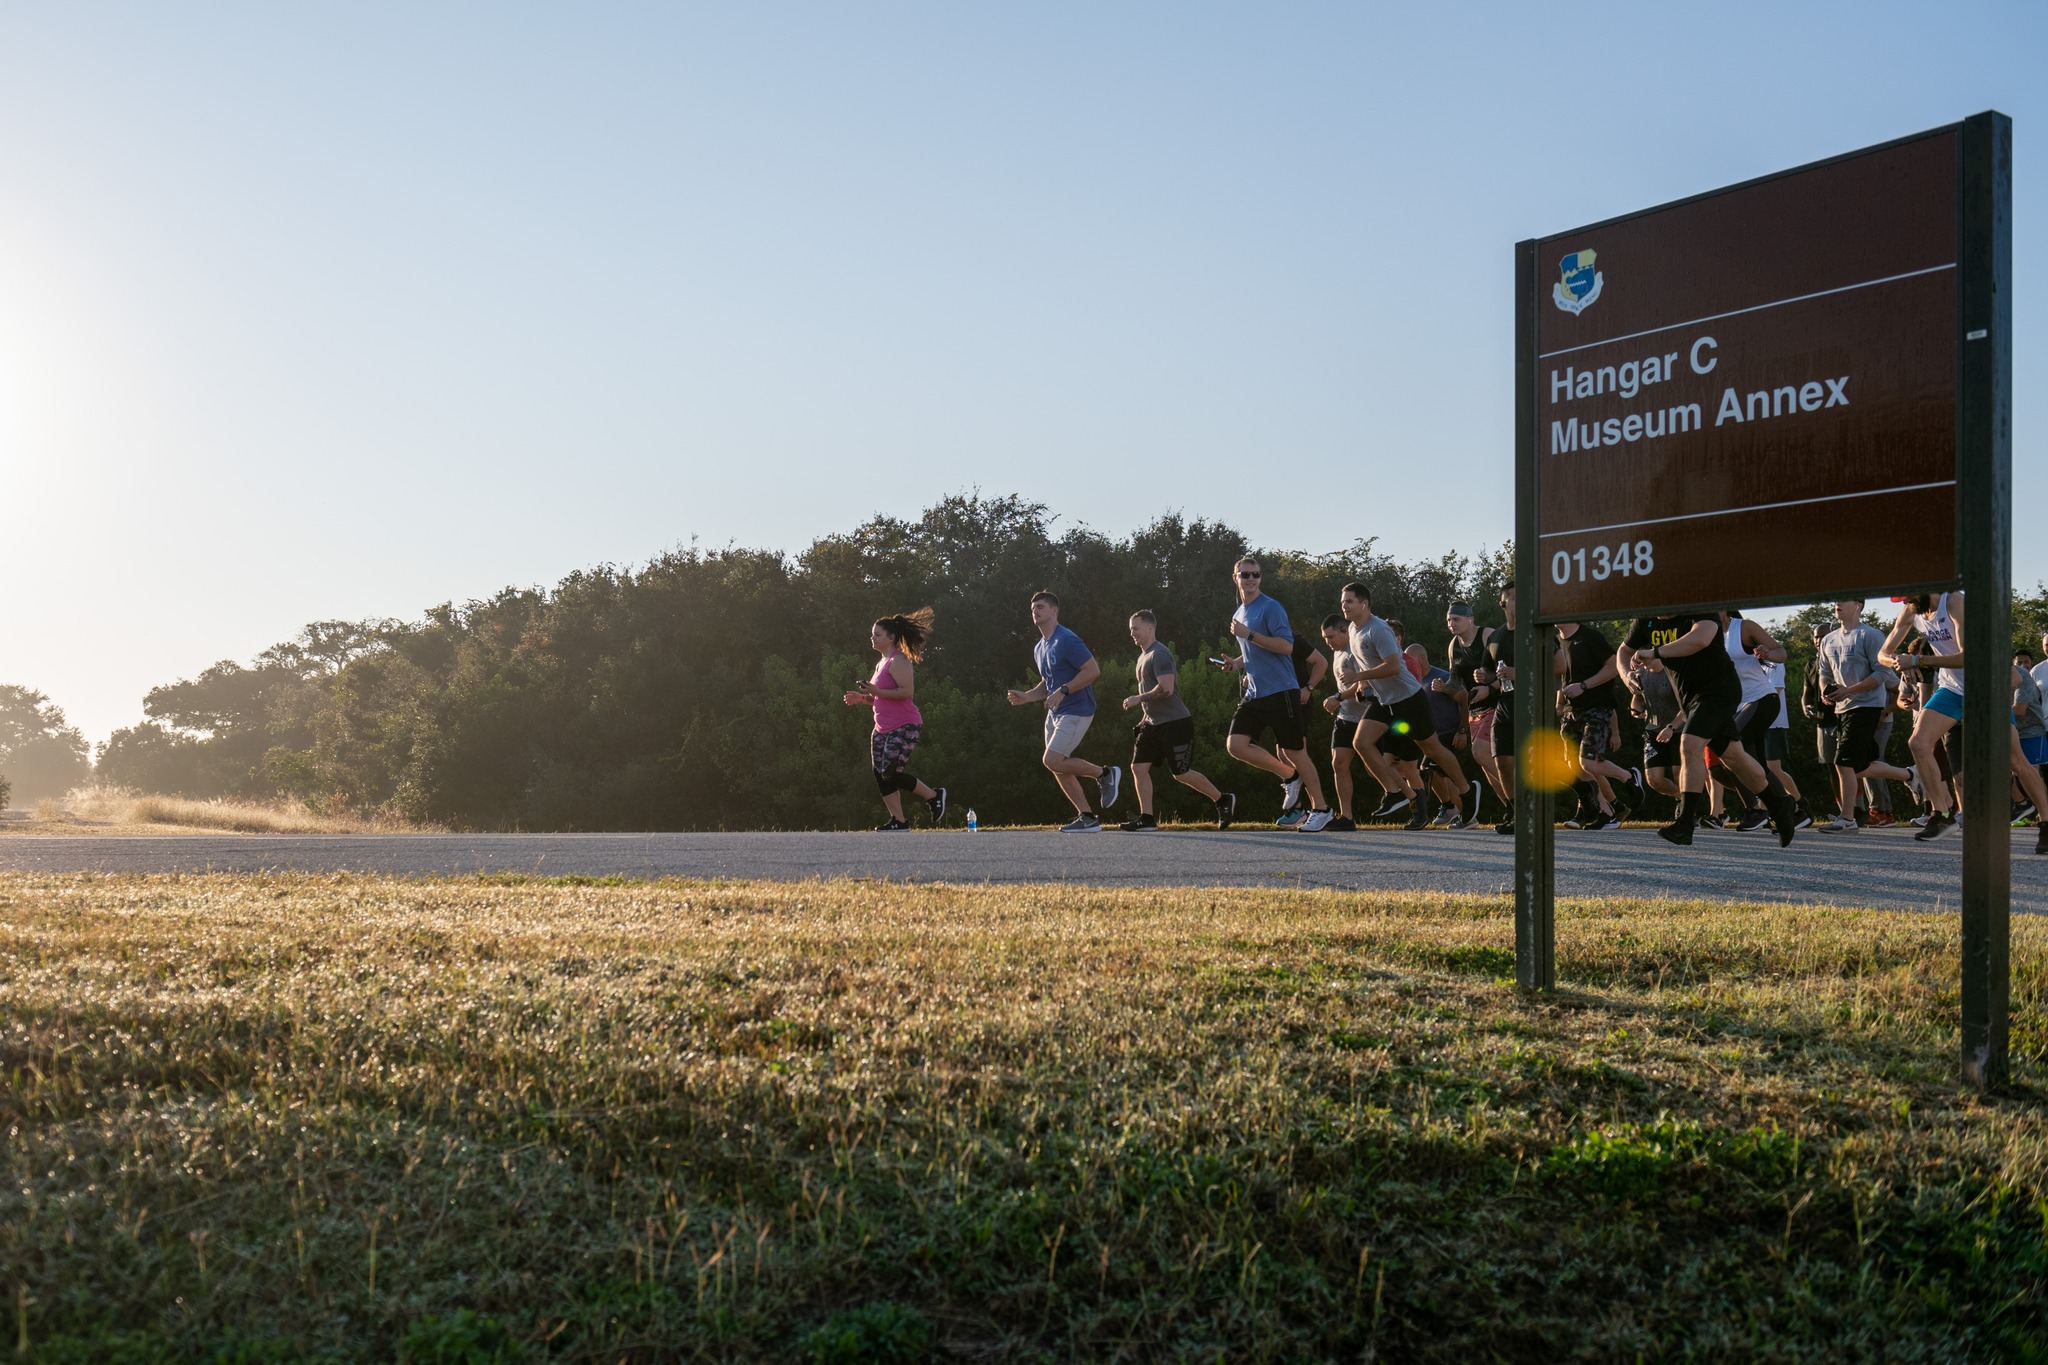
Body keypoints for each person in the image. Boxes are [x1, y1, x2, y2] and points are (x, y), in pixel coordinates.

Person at [1879, 593, 2048, 850]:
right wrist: (1899, 662)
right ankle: (1941, 815)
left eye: (1908, 597)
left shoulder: (1955, 603)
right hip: (1953, 689)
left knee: (2016, 761)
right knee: (1918, 743)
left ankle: (2046, 824)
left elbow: (1967, 656)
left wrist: (1918, 660)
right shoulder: (1912, 612)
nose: (1905, 603)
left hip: (1985, 686)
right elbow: (1883, 653)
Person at [1618, 612, 1799, 847]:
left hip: (1719, 690)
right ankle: (1779, 805)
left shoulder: (1699, 607)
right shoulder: (1646, 619)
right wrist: (1626, 676)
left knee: (1689, 744)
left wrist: (1654, 652)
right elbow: (1623, 651)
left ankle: (1684, 823)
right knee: (1734, 756)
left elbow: (1700, 639)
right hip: (1690, 697)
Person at [1213, 557, 1333, 830]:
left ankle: (1322, 809)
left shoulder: (1271, 607)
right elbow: (1252, 652)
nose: (1251, 579)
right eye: (1245, 575)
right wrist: (1236, 663)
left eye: (1255, 574)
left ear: (1261, 577)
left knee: (1296, 752)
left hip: (1281, 691)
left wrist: (1250, 634)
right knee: (1236, 745)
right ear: (1236, 578)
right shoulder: (1239, 613)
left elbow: (1286, 647)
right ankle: (1289, 777)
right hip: (1255, 693)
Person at [1340, 582, 1469, 831]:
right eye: (1343, 602)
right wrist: (1362, 684)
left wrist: (1358, 677)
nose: (1344, 606)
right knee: (1361, 743)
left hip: (1409, 700)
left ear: (1363, 603)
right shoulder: (1355, 630)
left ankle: (1465, 791)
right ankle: (1396, 793)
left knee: (1430, 752)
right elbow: (1367, 663)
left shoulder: (1378, 629)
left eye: (1349, 601)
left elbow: (1394, 666)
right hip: (1385, 701)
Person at [1005, 591, 1120, 833]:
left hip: (1077, 709)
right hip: (1056, 712)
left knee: (1052, 759)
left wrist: (1064, 691)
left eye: (1041, 607)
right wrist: (1027, 697)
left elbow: (1092, 670)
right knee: (1057, 765)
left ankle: (1105, 773)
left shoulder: (1067, 639)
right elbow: (1048, 683)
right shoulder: (1040, 647)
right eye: (1033, 607)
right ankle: (1087, 817)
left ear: (1054, 611)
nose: (1035, 611)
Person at [1119, 610, 1234, 831]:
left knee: (1181, 774)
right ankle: (1147, 819)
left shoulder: (1159, 654)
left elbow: (1167, 690)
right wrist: (1144, 718)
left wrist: (1137, 698)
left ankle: (1223, 799)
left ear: (1150, 628)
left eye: (1136, 628)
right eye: (1130, 629)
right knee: (1138, 767)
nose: (1132, 633)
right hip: (1152, 723)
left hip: (1175, 723)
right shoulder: (1142, 656)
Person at [1812, 600, 1917, 833]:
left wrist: (1849, 690)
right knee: (1858, 766)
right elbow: (1824, 673)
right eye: (1835, 601)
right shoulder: (1828, 639)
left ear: (1858, 606)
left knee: (1843, 761)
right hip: (1842, 709)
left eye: (1843, 600)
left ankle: (1847, 819)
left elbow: (1882, 673)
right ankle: (1910, 774)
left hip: (1867, 706)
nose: (1837, 604)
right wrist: (1825, 692)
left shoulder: (1870, 635)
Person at [843, 609, 948, 831]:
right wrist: (862, 698)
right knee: (880, 775)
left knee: (891, 773)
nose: (873, 638)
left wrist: (877, 691)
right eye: (872, 635)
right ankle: (899, 821)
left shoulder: (898, 660)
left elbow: (906, 692)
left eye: (877, 634)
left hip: (904, 725)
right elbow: (878, 696)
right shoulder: (881, 663)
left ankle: (933, 795)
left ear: (891, 637)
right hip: (881, 727)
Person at [1552, 619, 1641, 830]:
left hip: (1597, 708)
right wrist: (1559, 704)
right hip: (1571, 712)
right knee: (1575, 767)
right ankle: (1607, 811)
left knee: (1589, 763)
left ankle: (1628, 776)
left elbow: (1613, 667)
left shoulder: (1590, 636)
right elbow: (1564, 680)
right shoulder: (1557, 642)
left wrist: (1584, 686)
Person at [1445, 602, 1509, 823]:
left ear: (1470, 619)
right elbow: (1455, 682)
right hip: (1475, 709)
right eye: (1449, 620)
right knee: (1486, 764)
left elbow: (1508, 672)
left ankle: (1524, 801)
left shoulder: (1487, 635)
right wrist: (1442, 687)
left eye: (1456, 619)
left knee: (1481, 752)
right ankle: (1512, 810)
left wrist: (1489, 687)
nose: (1451, 624)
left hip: (1499, 703)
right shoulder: (1454, 645)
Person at [1410, 643, 1482, 827]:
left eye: (1411, 660)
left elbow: (1464, 699)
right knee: (1443, 775)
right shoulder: (1414, 680)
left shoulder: (1442, 677)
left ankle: (1456, 808)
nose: (1408, 664)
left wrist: (1462, 731)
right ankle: (1458, 811)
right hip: (1431, 737)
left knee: (1429, 770)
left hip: (1450, 733)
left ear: (1423, 659)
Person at [1274, 631, 1332, 827]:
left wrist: (1308, 687)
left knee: (1297, 754)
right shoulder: (1264, 642)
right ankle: (1298, 809)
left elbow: (1321, 662)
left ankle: (1320, 809)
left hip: (1299, 701)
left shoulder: (1293, 640)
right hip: (1279, 702)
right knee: (1283, 754)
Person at [1320, 614, 1366, 830]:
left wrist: (1338, 698)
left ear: (1344, 630)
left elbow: (1364, 684)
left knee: (1390, 766)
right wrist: (1339, 699)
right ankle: (1346, 817)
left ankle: (1415, 799)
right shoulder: (1337, 653)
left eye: (1331, 637)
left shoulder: (1357, 651)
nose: (1329, 642)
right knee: (1339, 764)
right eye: (1325, 638)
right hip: (1346, 717)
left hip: (1368, 717)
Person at [1622, 652, 1682, 803]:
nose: (1640, 663)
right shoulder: (1641, 674)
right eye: (1638, 659)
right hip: (1653, 730)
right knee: (1654, 780)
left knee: (1679, 772)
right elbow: (1636, 703)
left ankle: (1686, 811)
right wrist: (1636, 708)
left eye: (1643, 658)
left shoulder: (1672, 673)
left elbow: (1687, 706)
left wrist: (1671, 727)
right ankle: (1681, 798)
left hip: (1678, 729)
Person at [1484, 585, 1520, 834]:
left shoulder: (1535, 630)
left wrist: (1518, 672)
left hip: (1532, 703)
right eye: (1515, 597)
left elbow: (1558, 666)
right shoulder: (1495, 637)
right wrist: (1482, 675)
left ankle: (1589, 795)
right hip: (1505, 703)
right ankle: (1517, 812)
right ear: (1503, 604)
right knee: (1502, 762)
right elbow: (1488, 671)